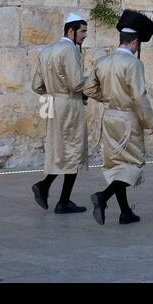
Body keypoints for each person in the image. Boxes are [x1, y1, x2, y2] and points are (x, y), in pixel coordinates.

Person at [83, 10, 153, 226]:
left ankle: (125, 212)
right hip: (127, 120)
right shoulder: (133, 64)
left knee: (117, 165)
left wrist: (105, 97)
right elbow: (138, 96)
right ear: (134, 42)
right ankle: (102, 197)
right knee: (133, 165)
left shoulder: (104, 61)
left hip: (109, 117)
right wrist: (149, 121)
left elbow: (88, 87)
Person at [30, 11, 90, 214]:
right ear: (71, 30)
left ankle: (51, 191)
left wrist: (55, 90)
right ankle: (58, 197)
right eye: (82, 31)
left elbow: (37, 86)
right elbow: (76, 83)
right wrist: (92, 85)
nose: (85, 35)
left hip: (53, 104)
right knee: (72, 152)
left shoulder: (47, 51)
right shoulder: (70, 50)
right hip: (70, 106)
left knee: (60, 151)